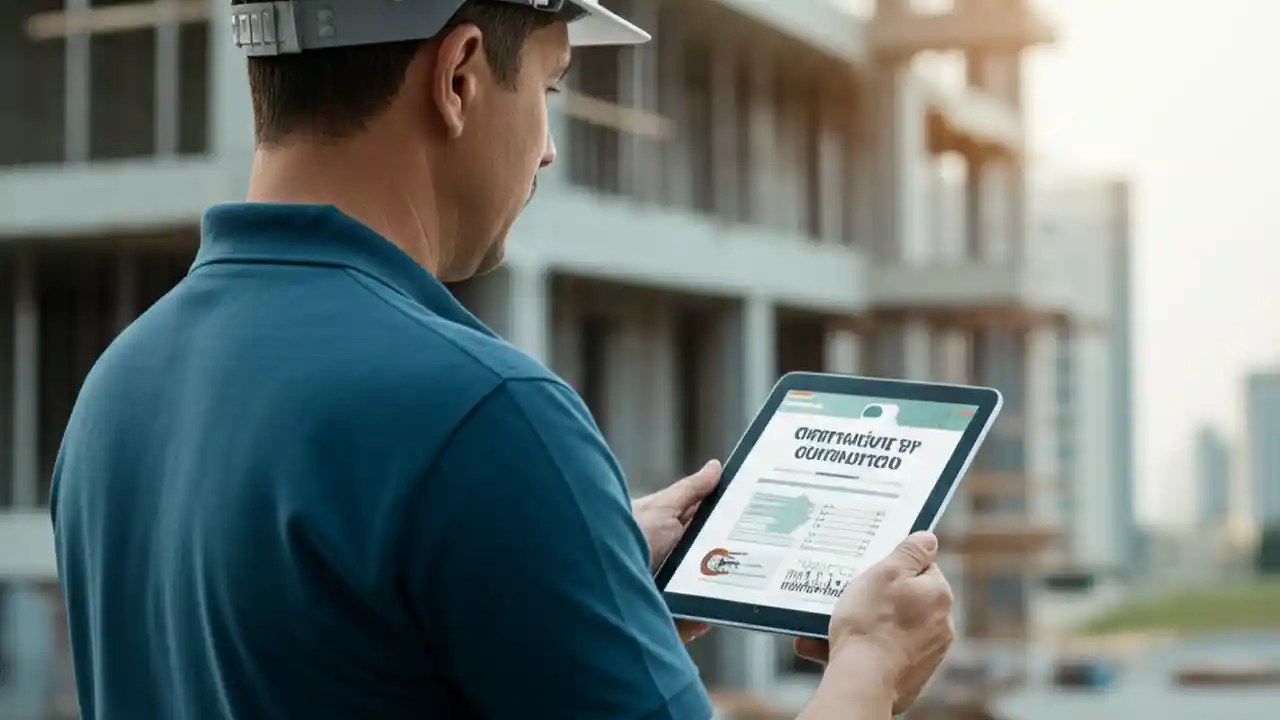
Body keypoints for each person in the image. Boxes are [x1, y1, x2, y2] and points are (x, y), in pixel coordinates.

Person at [50, 1, 954, 718]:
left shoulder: (119, 383)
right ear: (459, 75)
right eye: (551, 89)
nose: (550, 147)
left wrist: (577, 575)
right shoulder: (488, 412)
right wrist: (871, 670)